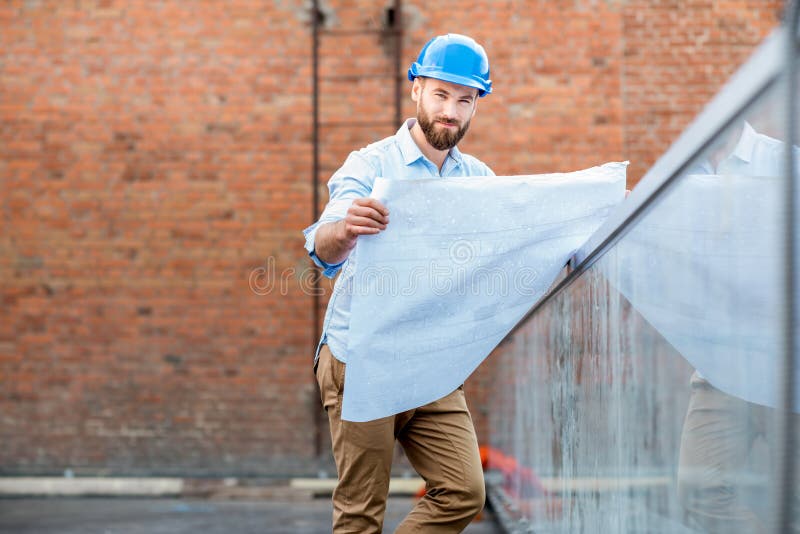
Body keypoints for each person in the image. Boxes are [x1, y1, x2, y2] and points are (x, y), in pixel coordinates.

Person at [302, 33, 494, 533]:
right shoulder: (369, 166)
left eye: (464, 100)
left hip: (432, 363)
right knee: (361, 514)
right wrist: (346, 229)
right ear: (415, 91)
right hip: (362, 358)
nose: (450, 111)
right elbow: (321, 246)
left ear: (476, 106)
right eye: (440, 95)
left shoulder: (478, 180)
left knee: (464, 492)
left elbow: (511, 247)